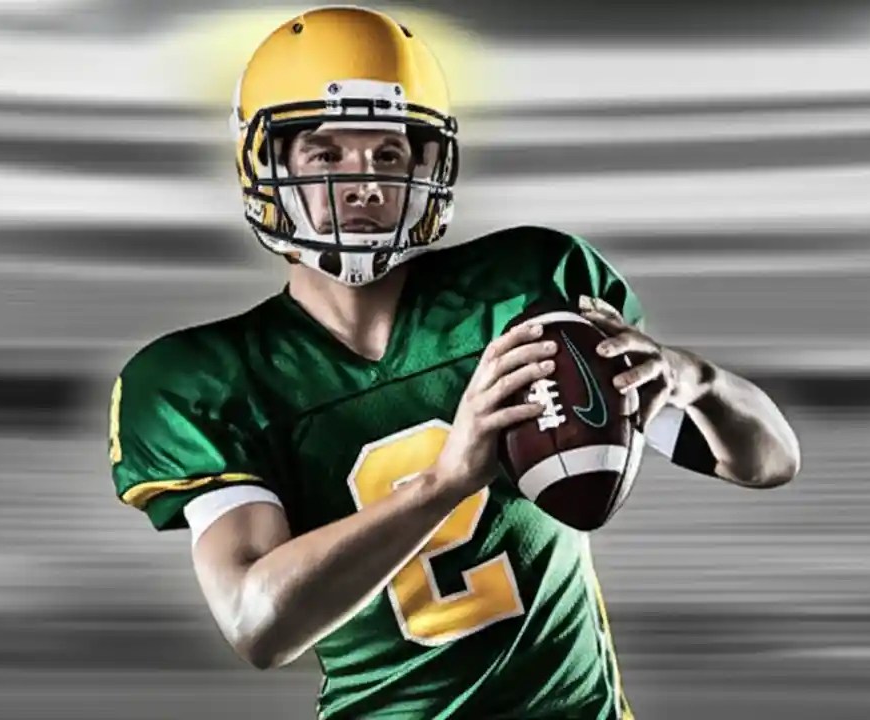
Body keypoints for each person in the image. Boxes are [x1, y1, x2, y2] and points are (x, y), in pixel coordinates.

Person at [106, 6, 801, 718]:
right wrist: (444, 482)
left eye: (388, 153)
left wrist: (700, 380)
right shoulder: (206, 378)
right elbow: (259, 625)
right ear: (269, 162)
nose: (365, 183)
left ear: (428, 162)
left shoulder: (527, 293)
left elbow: (769, 462)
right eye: (327, 153)